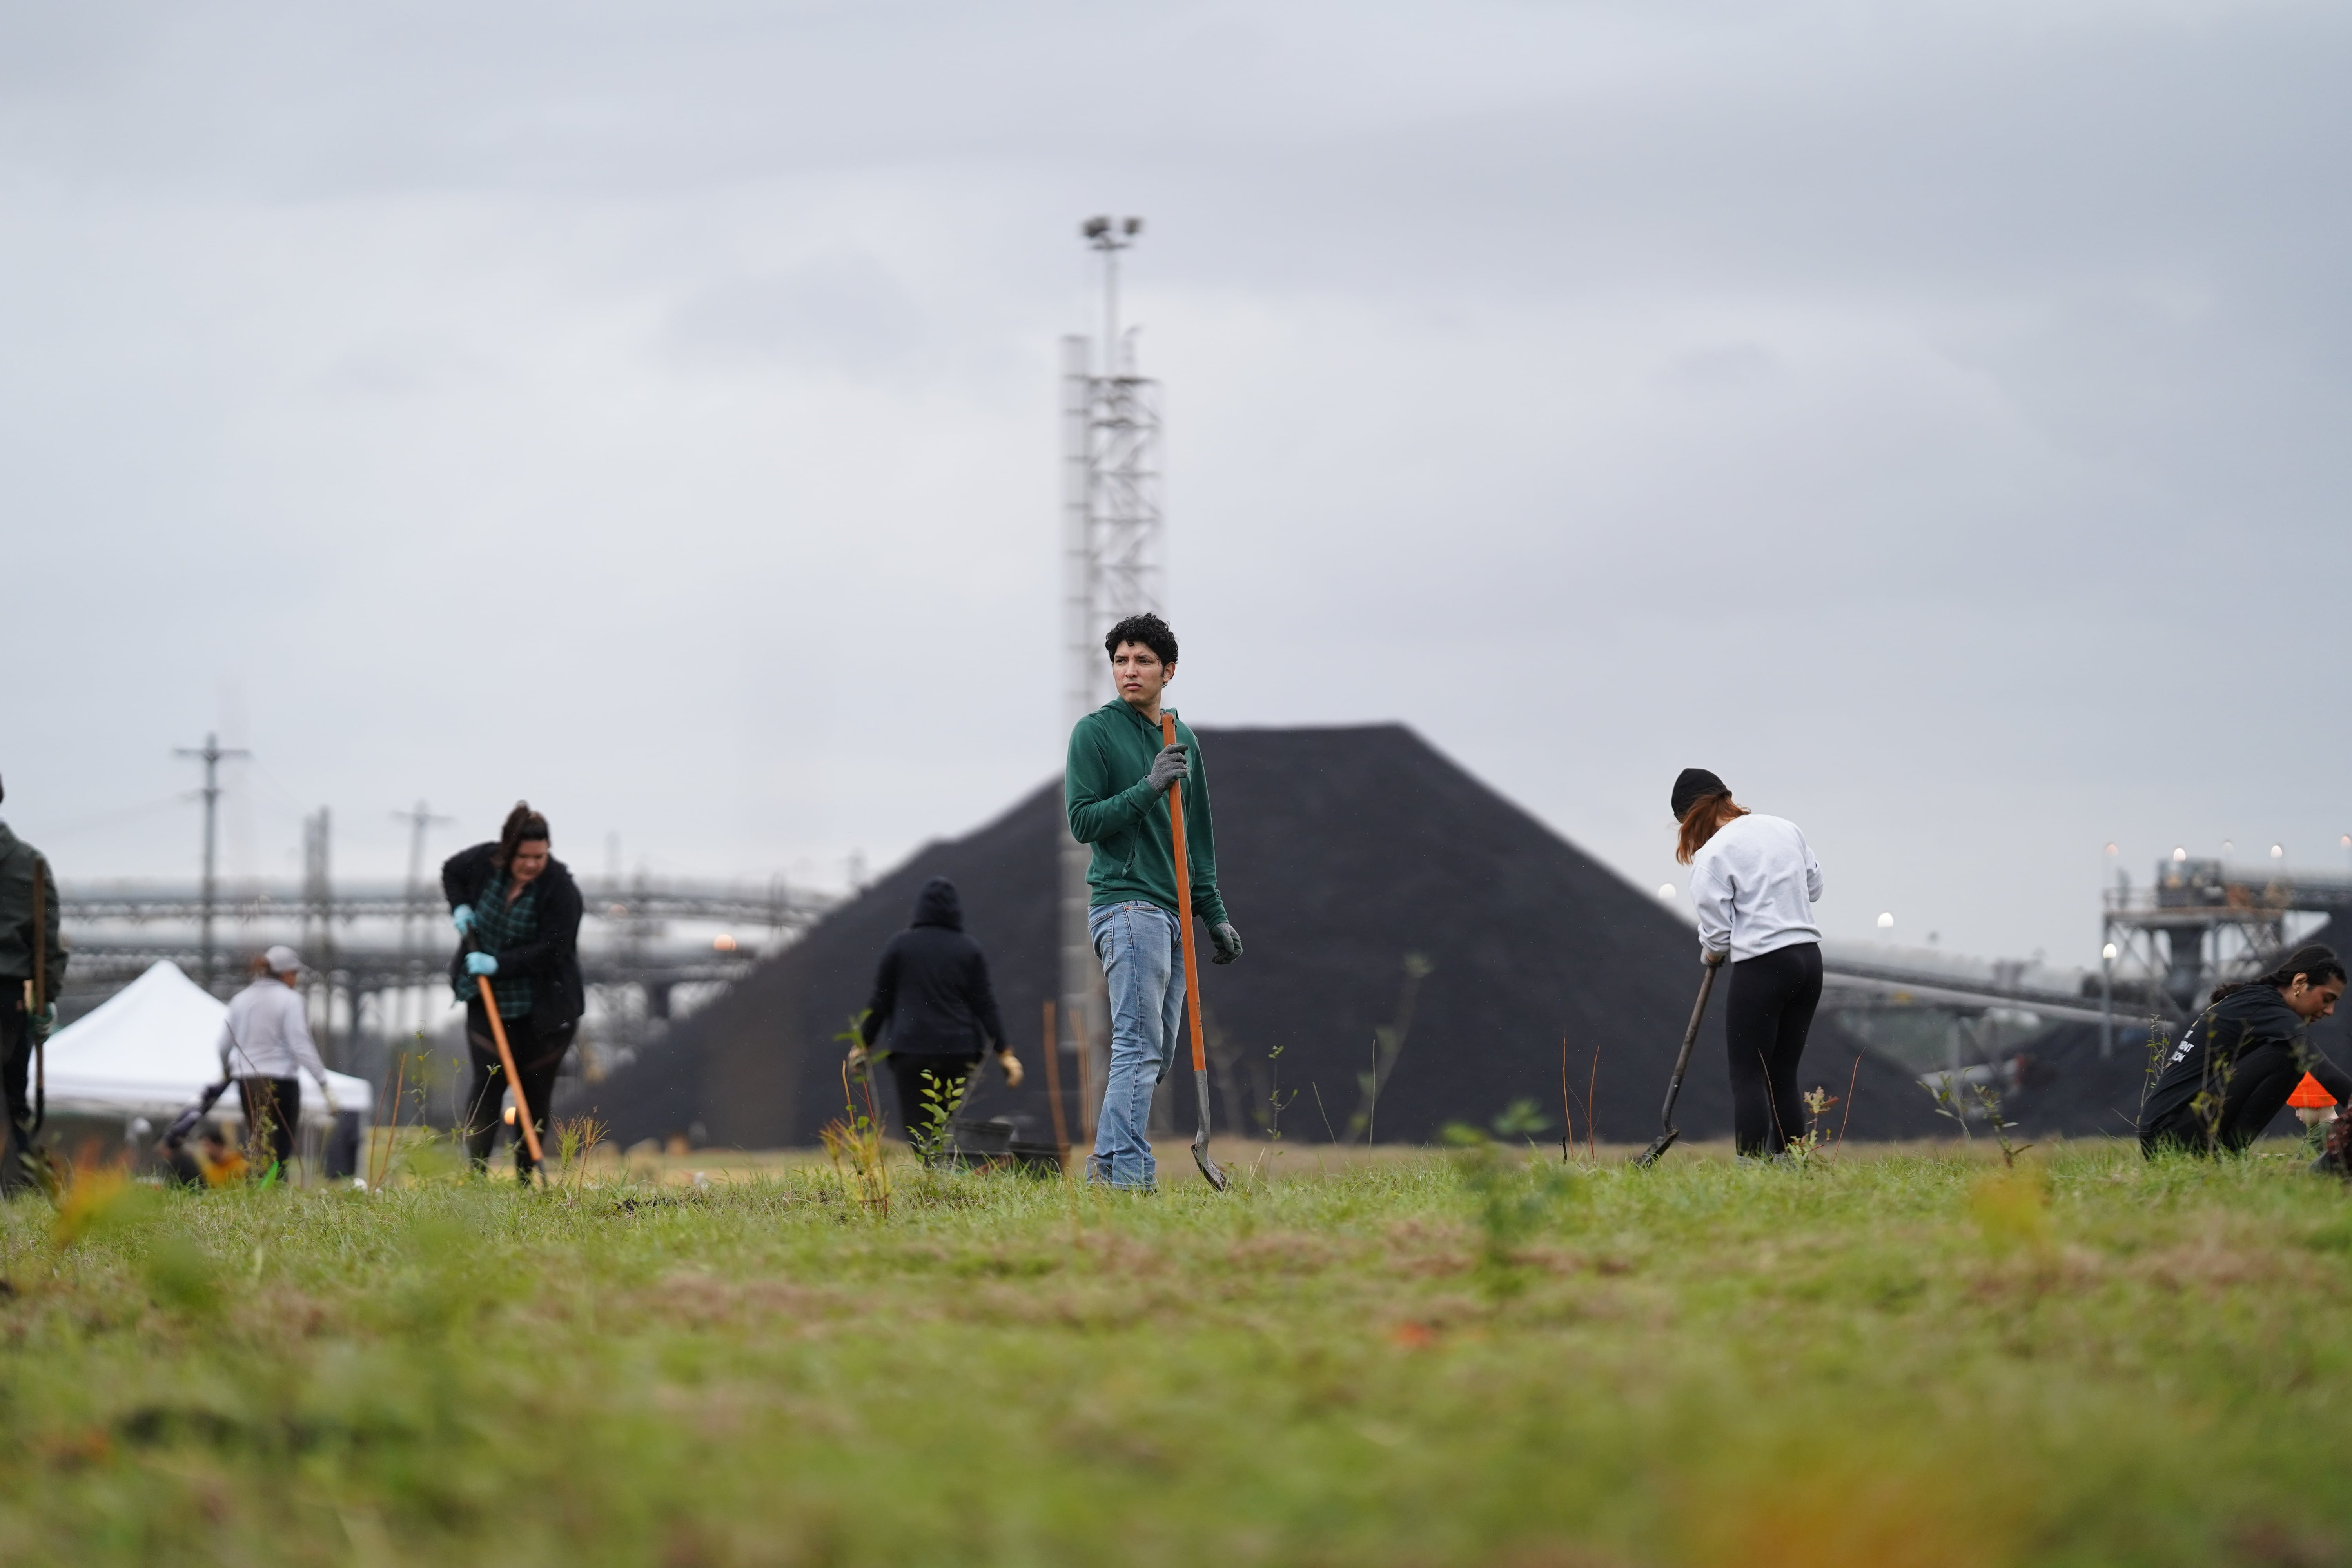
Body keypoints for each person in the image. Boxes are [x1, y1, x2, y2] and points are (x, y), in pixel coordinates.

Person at [1066, 613, 1243, 1190]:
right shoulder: (1093, 733)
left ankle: (1106, 1169)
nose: (1130, 671)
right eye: (1121, 660)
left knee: (1155, 1053)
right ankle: (1129, 1176)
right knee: (1138, 1046)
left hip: (1173, 916)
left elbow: (1199, 837)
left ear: (1168, 670)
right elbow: (1083, 822)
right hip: (1124, 906)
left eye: (1142, 661)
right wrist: (1146, 788)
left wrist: (1213, 913)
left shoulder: (1181, 738)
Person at [1675, 768, 1825, 1158]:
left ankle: (1753, 1177)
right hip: (1809, 960)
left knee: (1748, 1076)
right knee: (1783, 1075)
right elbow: (1815, 886)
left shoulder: (1714, 854)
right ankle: (1792, 1170)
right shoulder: (1784, 828)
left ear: (1691, 817)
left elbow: (1718, 935)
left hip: (1764, 965)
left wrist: (1711, 952)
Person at [443, 802, 584, 1183]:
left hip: (545, 1012)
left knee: (533, 1096)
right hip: (488, 1001)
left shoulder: (561, 889)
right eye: (524, 856)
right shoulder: (485, 862)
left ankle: (526, 1179)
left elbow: (555, 948)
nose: (532, 864)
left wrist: (498, 964)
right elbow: (452, 871)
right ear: (508, 850)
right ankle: (475, 1177)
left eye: (540, 856)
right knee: (488, 1084)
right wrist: (460, 909)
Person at [849, 877, 1021, 1162]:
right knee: (946, 1120)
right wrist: (1005, 1052)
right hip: (959, 1049)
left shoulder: (900, 946)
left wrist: (864, 1043)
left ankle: (933, 1175)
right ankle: (943, 1174)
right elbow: (985, 1005)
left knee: (917, 1125)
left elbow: (880, 1002)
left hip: (911, 1050)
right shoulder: (969, 949)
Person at [2141, 944, 2348, 1157]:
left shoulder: (2258, 1001)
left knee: (2287, 1052)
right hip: (2169, 1136)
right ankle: (2228, 1155)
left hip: (2164, 1134)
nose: (2330, 1011)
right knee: (2290, 1056)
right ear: (2300, 983)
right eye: (2327, 999)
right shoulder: (2268, 1008)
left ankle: (2226, 1155)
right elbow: (2319, 1065)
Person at [0, 775, 67, 1193]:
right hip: (9, 998)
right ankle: (20, 1177)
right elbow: (45, 943)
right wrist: (45, 999)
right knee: (12, 1094)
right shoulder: (30, 864)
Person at [218, 946, 338, 1178]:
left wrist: (226, 1071)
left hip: (247, 1082)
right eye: (295, 974)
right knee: (281, 1149)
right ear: (286, 973)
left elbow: (223, 1045)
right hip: (281, 1082)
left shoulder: (241, 1000)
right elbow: (301, 1044)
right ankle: (271, 1193)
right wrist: (323, 1083)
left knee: (258, 1143)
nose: (296, 980)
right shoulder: (291, 1001)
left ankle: (256, 1192)